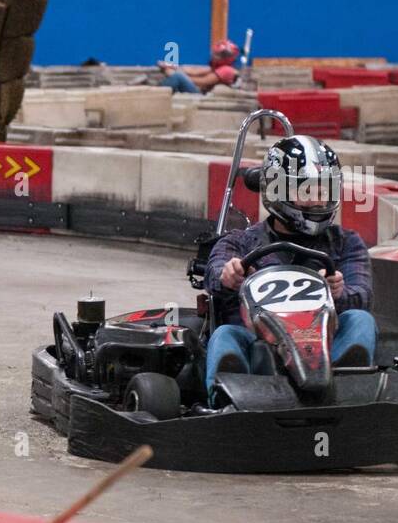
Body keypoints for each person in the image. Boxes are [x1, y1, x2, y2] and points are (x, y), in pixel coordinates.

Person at [204, 134, 376, 400]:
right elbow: (214, 272)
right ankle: (228, 398)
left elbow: (362, 295)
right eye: (307, 190)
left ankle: (344, 391)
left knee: (361, 320)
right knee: (226, 335)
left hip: (324, 344)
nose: (319, 200)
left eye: (324, 189)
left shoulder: (346, 243)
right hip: (258, 347)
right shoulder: (240, 242)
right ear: (277, 191)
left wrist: (339, 294)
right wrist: (229, 276)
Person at [157, 39, 242, 94]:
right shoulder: (219, 67)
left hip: (202, 96)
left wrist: (175, 74)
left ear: (226, 57)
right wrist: (171, 66)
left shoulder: (226, 70)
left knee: (177, 77)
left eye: (217, 55)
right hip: (201, 93)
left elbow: (202, 81)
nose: (213, 56)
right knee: (178, 75)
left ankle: (156, 94)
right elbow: (194, 70)